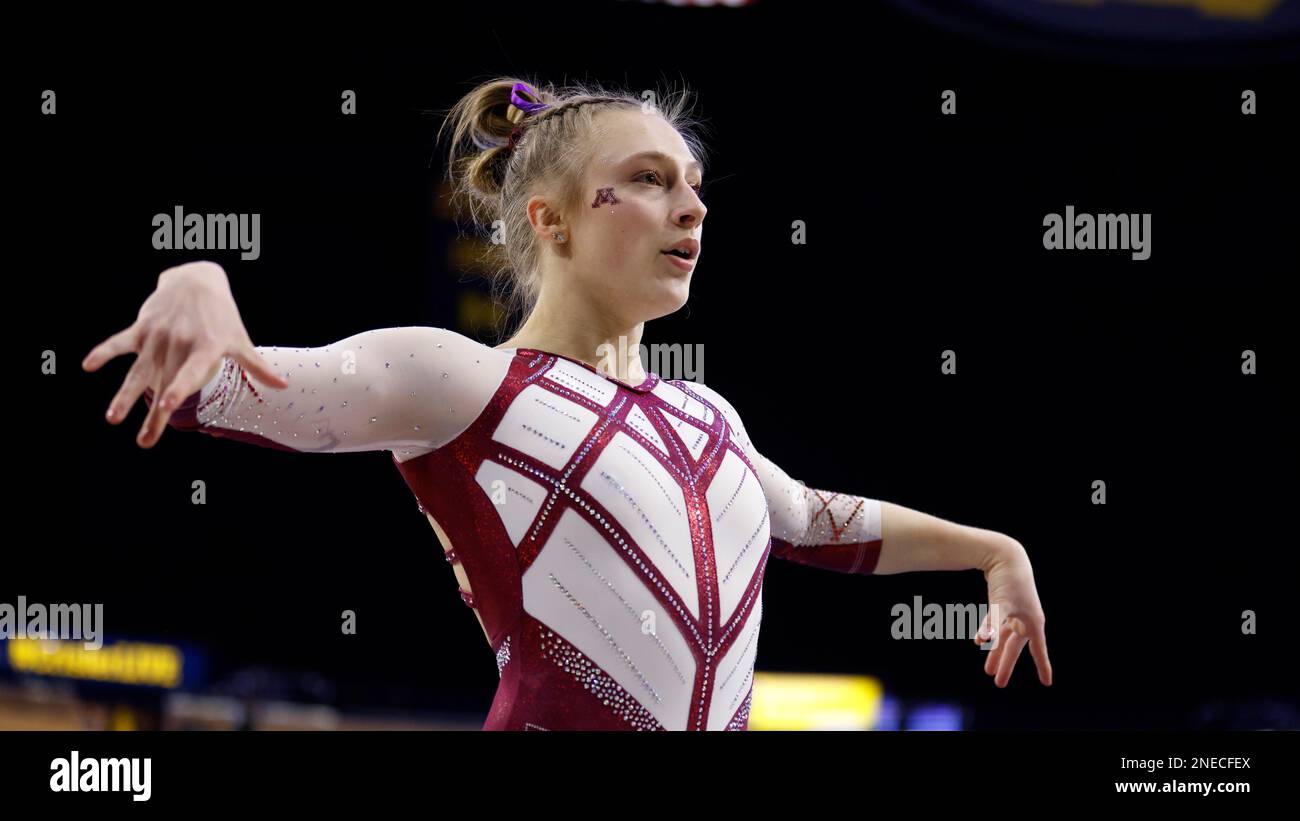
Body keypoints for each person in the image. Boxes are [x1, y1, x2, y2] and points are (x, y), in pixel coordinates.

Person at [82, 78, 1051, 730]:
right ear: (548, 221)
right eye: (646, 181)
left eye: (694, 186)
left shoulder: (708, 420)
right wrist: (199, 278)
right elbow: (243, 390)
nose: (692, 207)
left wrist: (993, 550)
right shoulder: (466, 383)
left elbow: (815, 520)